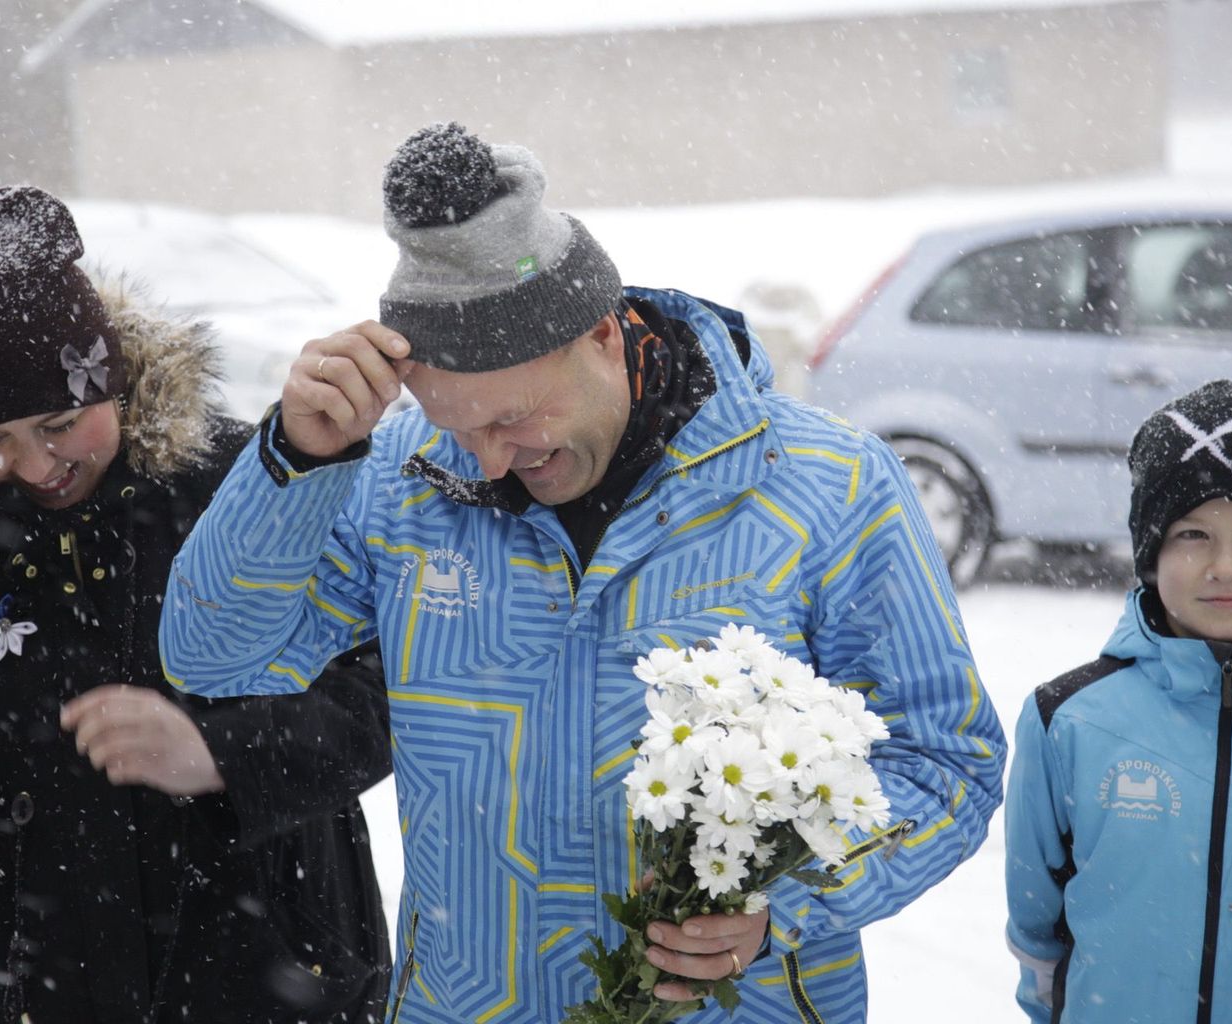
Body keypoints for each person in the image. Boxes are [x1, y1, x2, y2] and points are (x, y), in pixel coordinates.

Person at [159, 123, 1006, 1023]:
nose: (485, 462)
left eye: (512, 417)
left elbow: (946, 762)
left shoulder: (824, 486)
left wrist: (781, 906)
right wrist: (295, 463)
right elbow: (213, 659)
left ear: (604, 334)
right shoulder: (398, 479)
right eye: (458, 427)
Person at [0, 186, 392, 1024]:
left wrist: (223, 753)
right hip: (2, 990)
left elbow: (382, 689)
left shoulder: (241, 487)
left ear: (115, 381)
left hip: (269, 982)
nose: (33, 466)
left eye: (61, 422)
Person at [1004, 379, 1232, 1022]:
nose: (1225, 566)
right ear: (1149, 550)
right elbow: (1038, 934)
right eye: (1192, 534)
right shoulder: (1070, 720)